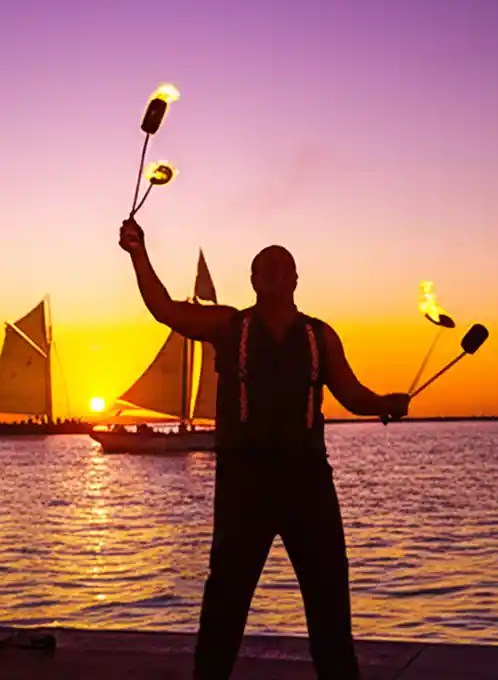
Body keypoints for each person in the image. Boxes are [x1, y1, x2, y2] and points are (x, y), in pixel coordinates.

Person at [118, 218, 410, 680]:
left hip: (308, 482)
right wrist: (138, 252)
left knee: (329, 599)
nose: (274, 269)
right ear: (253, 280)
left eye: (283, 265)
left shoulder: (320, 335)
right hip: (244, 483)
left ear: (296, 279)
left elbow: (353, 395)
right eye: (264, 265)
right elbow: (164, 309)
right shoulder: (226, 325)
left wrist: (385, 404)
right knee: (225, 602)